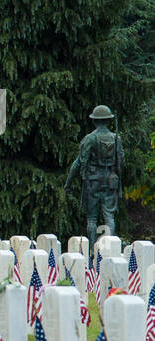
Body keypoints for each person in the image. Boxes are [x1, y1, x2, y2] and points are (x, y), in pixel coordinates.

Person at [64, 105, 123, 246]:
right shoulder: (116, 139)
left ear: (94, 121)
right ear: (108, 121)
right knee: (109, 217)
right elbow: (121, 162)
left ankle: (91, 250)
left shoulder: (89, 139)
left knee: (92, 219)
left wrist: (68, 183)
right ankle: (111, 248)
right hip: (111, 180)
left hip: (93, 181)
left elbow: (78, 163)